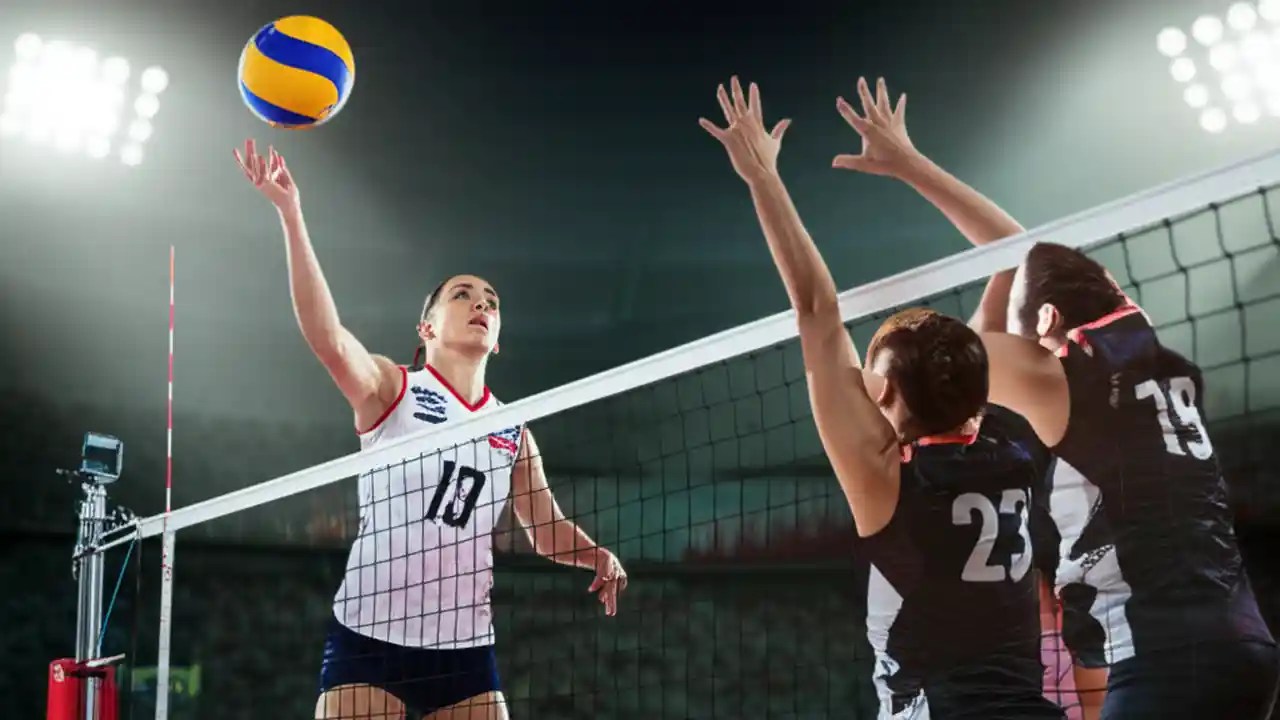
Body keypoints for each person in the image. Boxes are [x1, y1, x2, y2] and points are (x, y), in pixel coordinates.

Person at [832, 77, 1280, 719]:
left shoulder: (1065, 378)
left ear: (1045, 323)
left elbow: (967, 339)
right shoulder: (1150, 354)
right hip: (1242, 640)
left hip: (1165, 657)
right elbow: (1027, 258)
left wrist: (910, 167)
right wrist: (910, 165)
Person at [700, 76, 1064, 719]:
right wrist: (910, 162)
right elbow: (1019, 257)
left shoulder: (886, 478)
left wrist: (763, 177)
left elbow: (816, 307)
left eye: (869, 369)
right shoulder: (1010, 444)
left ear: (886, 390)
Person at [233, 140, 628, 720]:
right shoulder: (393, 388)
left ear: (499, 337)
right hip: (369, 640)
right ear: (426, 327)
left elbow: (544, 530)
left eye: (491, 302)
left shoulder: (512, 429)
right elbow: (328, 338)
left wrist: (597, 555)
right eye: (462, 295)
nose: (481, 304)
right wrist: (291, 215)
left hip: (464, 652)